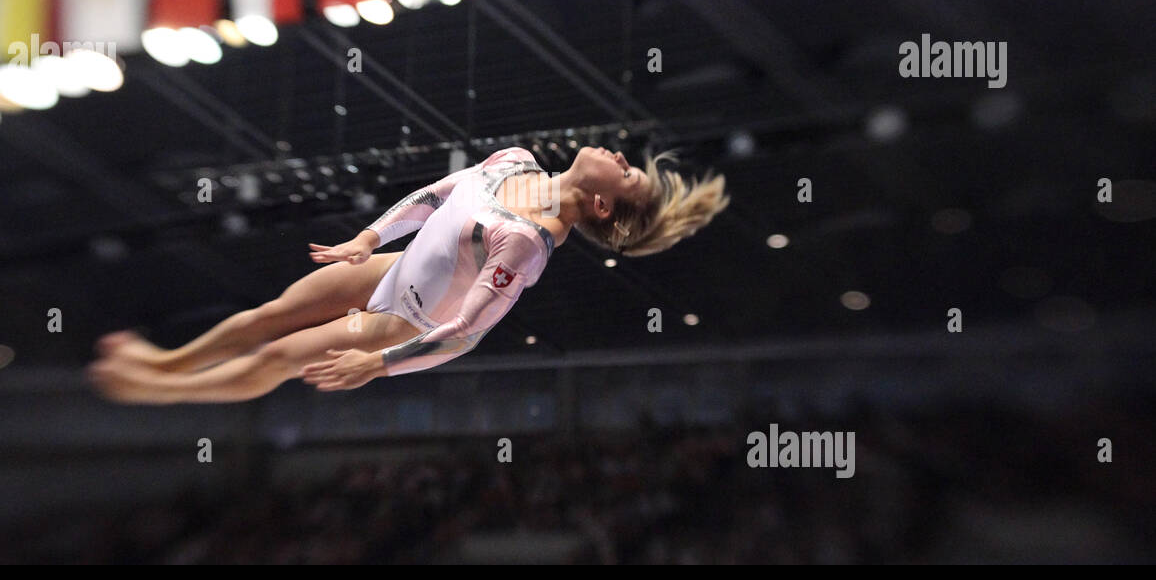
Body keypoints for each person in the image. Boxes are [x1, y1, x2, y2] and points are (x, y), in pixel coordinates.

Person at [89, 145, 729, 403]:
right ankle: (164, 362)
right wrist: (369, 237)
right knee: (266, 317)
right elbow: (438, 193)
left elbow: (464, 332)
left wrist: (381, 362)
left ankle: (155, 390)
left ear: (601, 204)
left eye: (623, 172)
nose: (617, 155)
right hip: (389, 265)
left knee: (281, 354)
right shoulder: (519, 161)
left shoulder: (526, 244)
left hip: (399, 320)